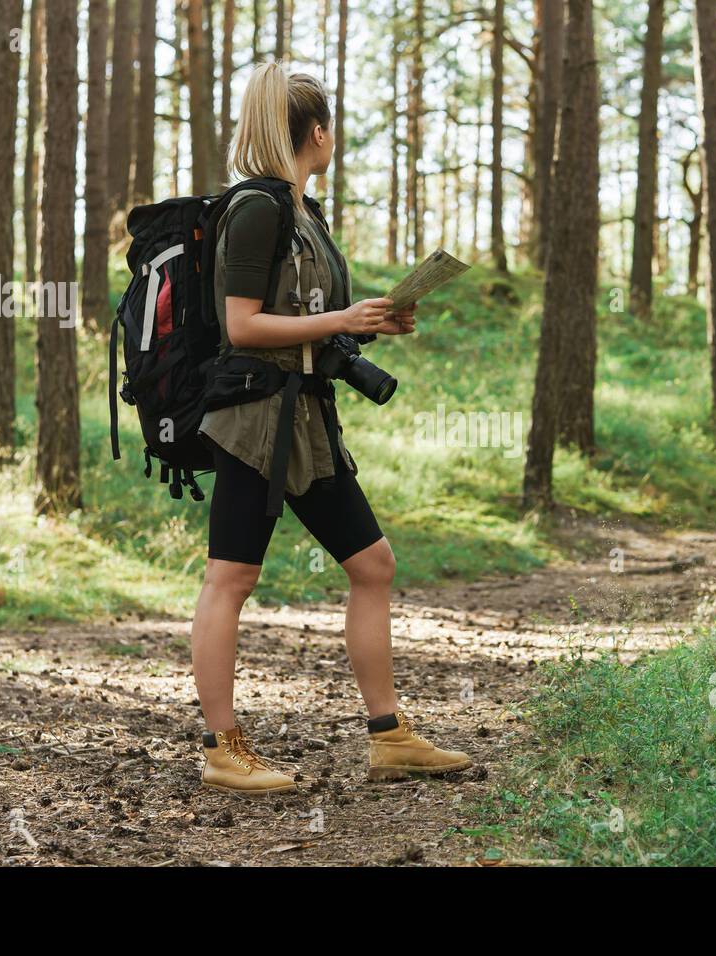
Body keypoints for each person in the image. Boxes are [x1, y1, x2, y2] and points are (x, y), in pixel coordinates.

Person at [191, 62, 471, 795]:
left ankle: (390, 739)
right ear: (317, 132)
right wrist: (342, 319)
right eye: (330, 125)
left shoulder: (305, 211)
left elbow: (307, 324)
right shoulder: (257, 209)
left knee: (372, 565)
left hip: (309, 419)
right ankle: (224, 750)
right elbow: (242, 325)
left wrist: (371, 323)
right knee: (232, 577)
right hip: (256, 420)